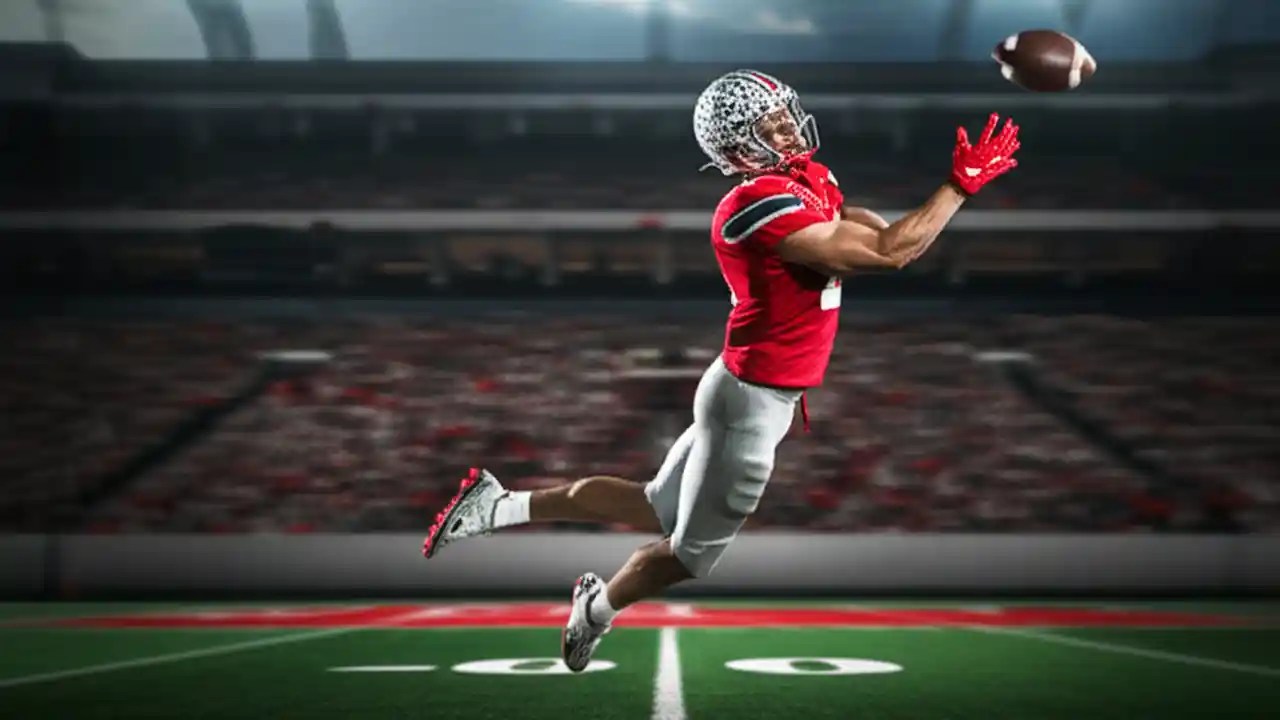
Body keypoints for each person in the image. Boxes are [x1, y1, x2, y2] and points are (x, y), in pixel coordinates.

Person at [421, 69, 1021, 672]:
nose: (788, 125)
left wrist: (933, 206)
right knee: (689, 555)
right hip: (751, 403)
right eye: (771, 124)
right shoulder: (755, 202)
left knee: (656, 505)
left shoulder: (807, 178)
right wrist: (956, 187)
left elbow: (881, 234)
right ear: (737, 149)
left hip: (747, 390)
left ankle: (495, 507)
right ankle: (595, 609)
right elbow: (889, 253)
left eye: (786, 111)